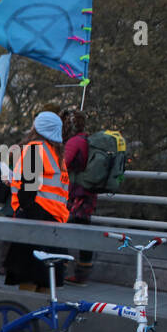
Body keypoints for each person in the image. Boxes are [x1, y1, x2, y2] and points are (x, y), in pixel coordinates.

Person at [4, 111, 70, 290]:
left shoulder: (35, 149)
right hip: (56, 219)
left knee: (28, 277)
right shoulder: (57, 153)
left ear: (37, 128)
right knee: (47, 281)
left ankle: (27, 316)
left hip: (34, 218)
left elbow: (28, 190)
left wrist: (23, 207)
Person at [61, 108, 95, 285]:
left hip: (75, 193)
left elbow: (63, 164)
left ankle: (61, 268)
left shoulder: (74, 142)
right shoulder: (87, 139)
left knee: (62, 229)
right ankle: (83, 272)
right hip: (87, 193)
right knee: (84, 231)